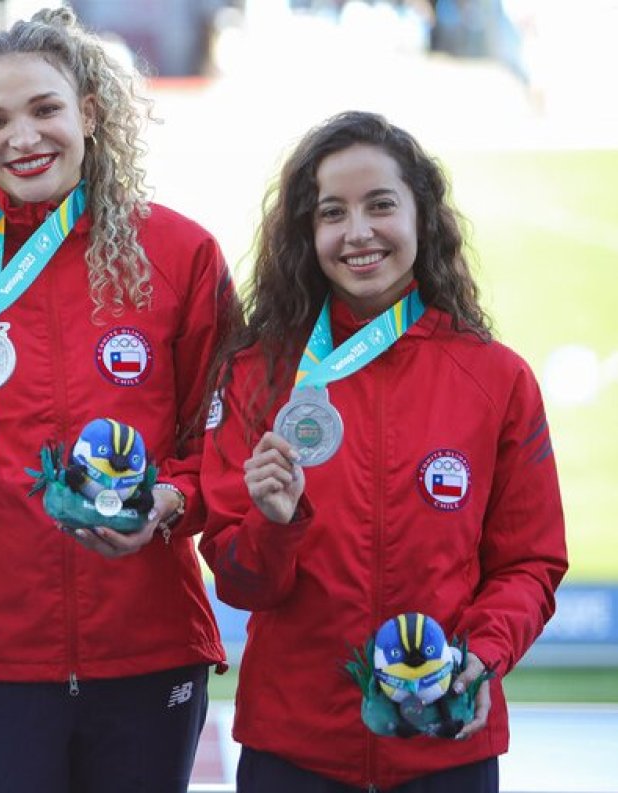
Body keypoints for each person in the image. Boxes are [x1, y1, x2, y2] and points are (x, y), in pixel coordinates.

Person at [0, 8, 237, 791]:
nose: (24, 137)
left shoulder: (180, 254)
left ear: (91, 112)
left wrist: (168, 500)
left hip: (148, 647)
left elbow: (223, 452)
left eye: (46, 109)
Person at [198, 110, 567, 792]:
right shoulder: (257, 375)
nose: (359, 232)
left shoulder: (496, 378)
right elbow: (241, 582)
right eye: (333, 212)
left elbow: (529, 562)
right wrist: (272, 524)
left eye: (381, 205)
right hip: (295, 748)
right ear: (308, 235)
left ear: (422, 215)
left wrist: (479, 657)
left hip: (446, 742)